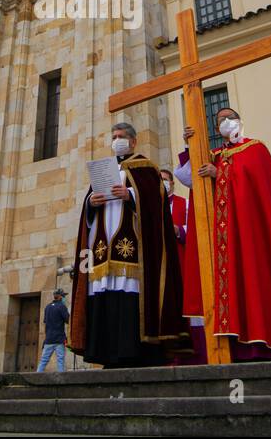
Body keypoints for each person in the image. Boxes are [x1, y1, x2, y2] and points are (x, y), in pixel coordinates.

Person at [174, 107, 271, 361]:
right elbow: (188, 178)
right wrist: (190, 144)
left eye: (229, 117)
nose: (225, 122)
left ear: (239, 121)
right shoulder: (213, 154)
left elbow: (258, 187)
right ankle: (233, 348)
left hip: (252, 235)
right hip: (225, 240)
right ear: (216, 130)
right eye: (220, 120)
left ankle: (268, 347)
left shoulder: (255, 149)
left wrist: (221, 174)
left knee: (258, 282)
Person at [69, 123, 189, 368]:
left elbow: (158, 208)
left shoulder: (146, 168)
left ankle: (137, 354)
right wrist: (91, 202)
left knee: (130, 300)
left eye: (121, 136)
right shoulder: (103, 170)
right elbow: (87, 217)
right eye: (113, 136)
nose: (117, 140)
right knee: (105, 299)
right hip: (103, 252)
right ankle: (108, 355)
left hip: (134, 253)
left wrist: (132, 196)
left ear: (133, 141)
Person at [161, 166, 207, 365]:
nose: (162, 183)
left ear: (171, 183)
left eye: (165, 179)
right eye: (159, 180)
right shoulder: (148, 209)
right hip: (160, 270)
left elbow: (198, 229)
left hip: (181, 266)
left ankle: (193, 357)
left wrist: (179, 230)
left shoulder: (185, 204)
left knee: (186, 309)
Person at [37, 289, 71, 372]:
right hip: (59, 339)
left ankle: (36, 376)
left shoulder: (47, 307)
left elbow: (45, 323)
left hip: (48, 339)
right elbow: (68, 320)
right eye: (63, 296)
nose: (64, 298)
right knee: (60, 361)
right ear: (59, 297)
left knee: (43, 361)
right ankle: (61, 380)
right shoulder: (62, 306)